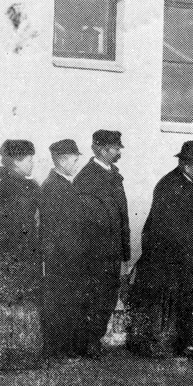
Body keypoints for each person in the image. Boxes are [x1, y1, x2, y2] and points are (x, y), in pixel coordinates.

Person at [127, 141, 193, 358]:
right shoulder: (169, 186)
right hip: (164, 256)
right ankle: (156, 344)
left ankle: (188, 344)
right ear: (185, 165)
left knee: (191, 299)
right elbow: (166, 226)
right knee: (162, 301)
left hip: (189, 255)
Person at [73, 130, 131, 356]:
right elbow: (84, 222)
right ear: (100, 149)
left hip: (113, 251)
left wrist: (125, 254)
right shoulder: (87, 178)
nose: (119, 152)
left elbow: (122, 217)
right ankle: (88, 341)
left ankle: (94, 339)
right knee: (93, 295)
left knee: (107, 295)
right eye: (115, 148)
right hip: (95, 253)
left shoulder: (114, 175)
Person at [39, 139, 89, 357]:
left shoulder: (62, 184)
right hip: (62, 256)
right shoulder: (54, 187)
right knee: (61, 302)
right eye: (75, 159)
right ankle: (60, 349)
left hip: (67, 254)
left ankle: (65, 348)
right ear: (62, 160)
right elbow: (56, 227)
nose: (77, 163)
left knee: (67, 302)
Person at [0, 140, 42, 306]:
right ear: (17, 162)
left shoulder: (21, 184)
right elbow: (19, 227)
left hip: (18, 257)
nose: (33, 163)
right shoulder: (11, 187)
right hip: (13, 260)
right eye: (29, 160)